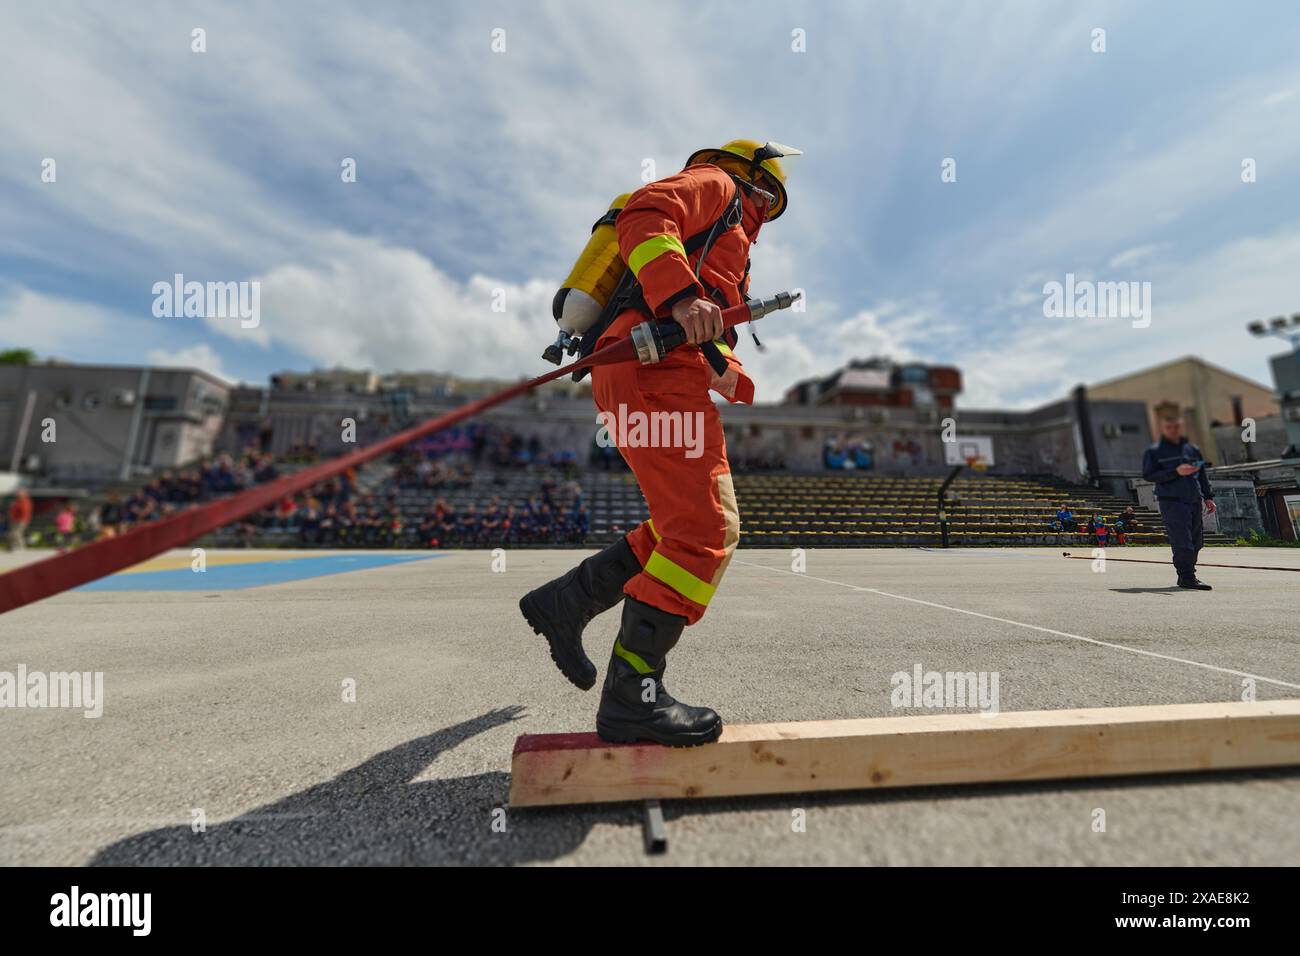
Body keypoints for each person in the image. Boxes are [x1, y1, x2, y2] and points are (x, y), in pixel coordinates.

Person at [519, 139, 797, 746]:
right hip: (651, 370)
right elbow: (646, 215)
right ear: (749, 180)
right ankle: (633, 699)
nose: (765, 212)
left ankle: (568, 602)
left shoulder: (728, 243)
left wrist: (724, 370)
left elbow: (697, 317)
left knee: (680, 526)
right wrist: (680, 296)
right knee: (706, 530)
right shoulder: (716, 188)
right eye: (768, 196)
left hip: (645, 368)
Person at [1142, 415, 1216, 589]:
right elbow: (1149, 475)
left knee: (1197, 542)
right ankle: (1186, 577)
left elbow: (1202, 474)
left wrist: (1208, 496)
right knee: (1182, 541)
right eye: (1169, 427)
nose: (1173, 430)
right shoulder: (1154, 452)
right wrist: (1176, 472)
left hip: (1194, 499)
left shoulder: (1191, 449)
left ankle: (1188, 574)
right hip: (1171, 501)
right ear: (1162, 428)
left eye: (1176, 427)